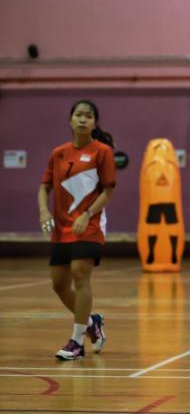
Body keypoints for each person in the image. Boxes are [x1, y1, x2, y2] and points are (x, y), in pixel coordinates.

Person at [38, 100, 117, 360]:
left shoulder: (102, 152)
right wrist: (44, 211)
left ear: (95, 123)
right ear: (71, 120)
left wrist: (88, 213)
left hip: (89, 222)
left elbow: (108, 190)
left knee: (79, 275)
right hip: (62, 227)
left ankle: (77, 342)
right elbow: (44, 187)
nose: (83, 120)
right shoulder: (58, 153)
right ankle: (91, 322)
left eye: (89, 116)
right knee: (59, 284)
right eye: (79, 115)